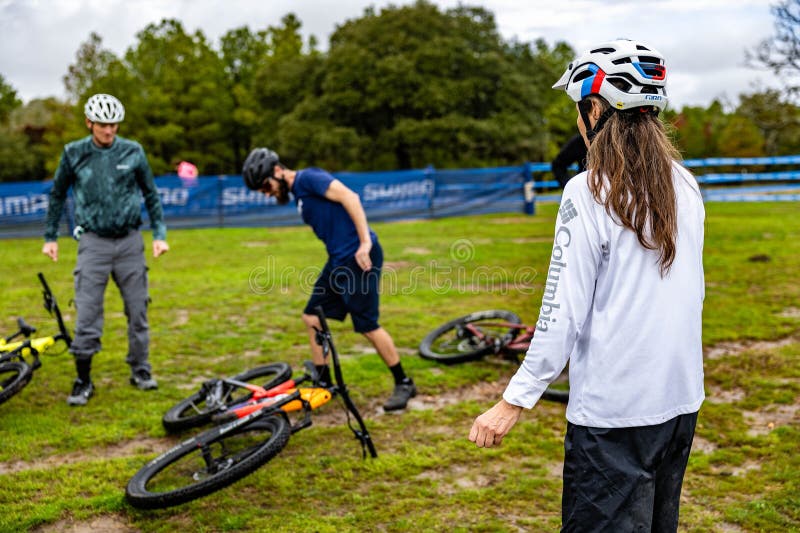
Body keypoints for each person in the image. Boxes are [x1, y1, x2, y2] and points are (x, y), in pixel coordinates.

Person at [469, 39, 705, 531]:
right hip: (681, 402)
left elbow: (561, 312)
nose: (578, 121)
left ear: (595, 108)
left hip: (613, 415)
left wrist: (512, 401)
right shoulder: (686, 183)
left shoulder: (588, 189)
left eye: (579, 109)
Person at [242, 148, 416, 411]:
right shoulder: (299, 193)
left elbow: (351, 198)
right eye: (262, 191)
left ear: (277, 170)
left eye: (266, 185)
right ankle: (323, 383)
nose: (267, 192)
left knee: (367, 325)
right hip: (338, 262)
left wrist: (365, 242)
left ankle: (404, 382)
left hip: (359, 258)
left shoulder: (309, 178)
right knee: (312, 316)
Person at [42, 93, 169, 406]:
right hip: (93, 243)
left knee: (138, 309)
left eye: (113, 124)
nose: (109, 130)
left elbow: (151, 194)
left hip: (129, 242)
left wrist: (159, 233)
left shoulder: (133, 151)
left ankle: (140, 369)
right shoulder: (74, 153)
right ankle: (83, 379)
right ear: (89, 123)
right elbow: (57, 195)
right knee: (87, 313)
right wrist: (50, 237)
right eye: (102, 125)